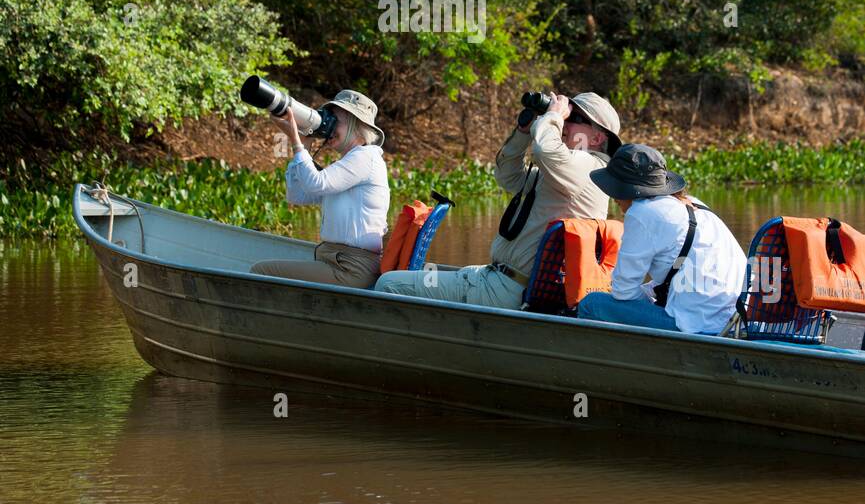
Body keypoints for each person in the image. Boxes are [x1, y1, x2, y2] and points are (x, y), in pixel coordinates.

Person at [374, 90, 621, 309]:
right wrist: (524, 133)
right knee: (422, 276)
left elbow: (545, 150)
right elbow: (508, 176)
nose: (566, 121)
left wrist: (554, 115)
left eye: (575, 118)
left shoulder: (589, 168)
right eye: (568, 115)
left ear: (598, 138)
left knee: (389, 283)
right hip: (493, 279)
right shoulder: (567, 172)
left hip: (504, 290)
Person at [577, 143, 746, 335]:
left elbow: (623, 292)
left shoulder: (642, 212)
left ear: (630, 189)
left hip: (699, 327)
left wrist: (647, 301)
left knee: (592, 304)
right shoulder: (694, 204)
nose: (613, 197)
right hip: (735, 320)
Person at [250, 89, 390, 289]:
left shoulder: (366, 157)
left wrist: (296, 143)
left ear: (355, 124)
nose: (328, 127)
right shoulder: (350, 164)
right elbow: (296, 195)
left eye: (336, 120)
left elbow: (317, 182)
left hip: (351, 267)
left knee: (261, 271)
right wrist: (303, 147)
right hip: (337, 261)